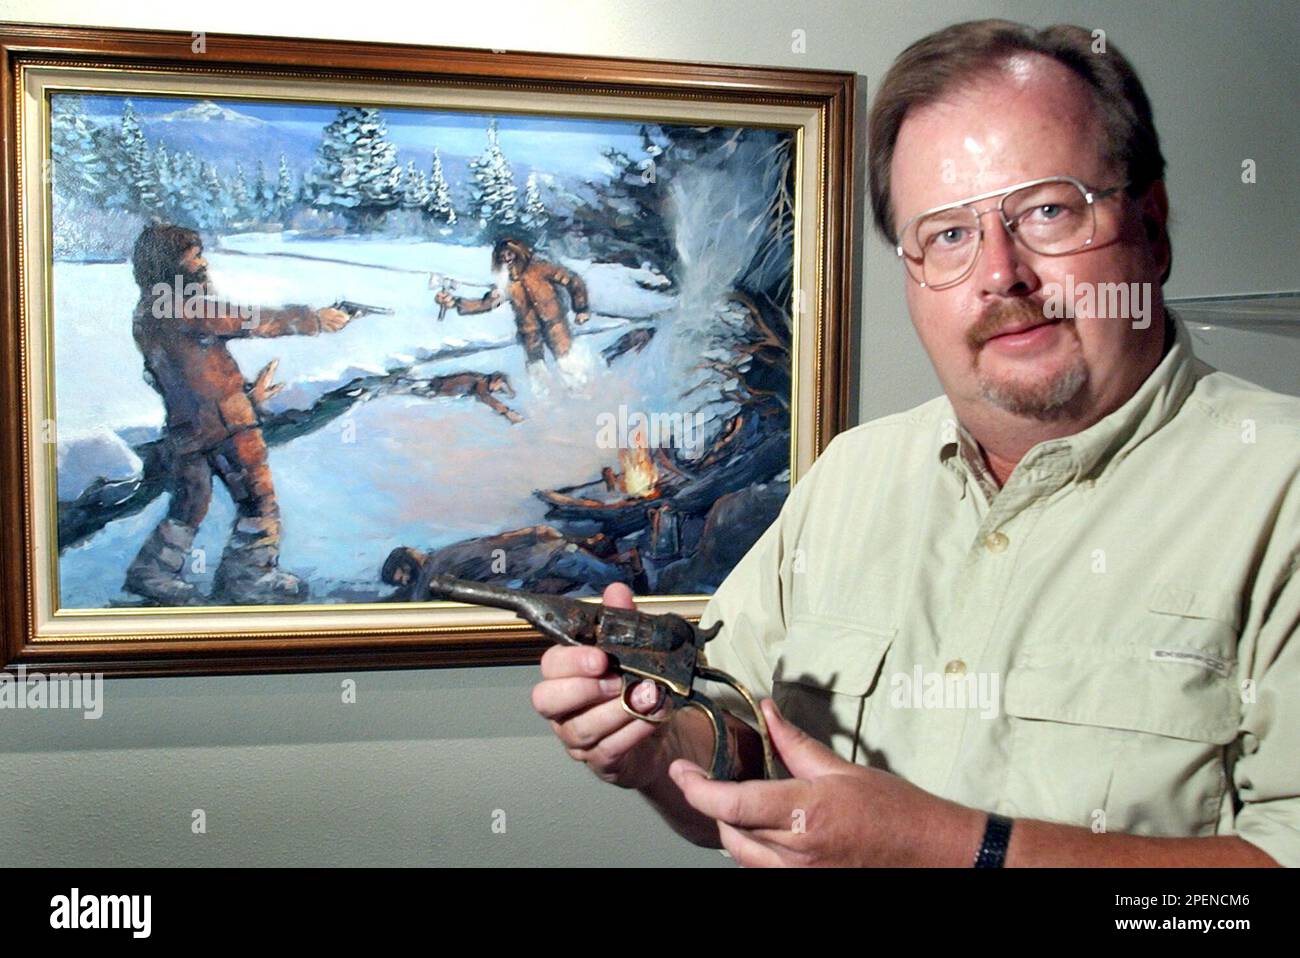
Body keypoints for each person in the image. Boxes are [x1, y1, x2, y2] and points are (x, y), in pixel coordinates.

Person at [529, 20, 1299, 866]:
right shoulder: (852, 477)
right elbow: (748, 746)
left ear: (1152, 229)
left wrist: (956, 850)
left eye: (1047, 210)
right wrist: (656, 745)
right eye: (948, 235)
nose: (1001, 275)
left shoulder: (1280, 489)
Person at [123, 223, 353, 606]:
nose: (203, 263)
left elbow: (189, 372)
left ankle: (153, 571)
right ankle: (250, 576)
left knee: (191, 502)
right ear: (170, 263)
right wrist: (314, 319)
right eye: (194, 256)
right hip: (226, 423)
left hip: (188, 426)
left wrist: (247, 393)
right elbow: (248, 319)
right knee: (257, 498)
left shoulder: (148, 311)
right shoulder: (181, 306)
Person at [435, 237, 592, 395]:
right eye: (502, 256)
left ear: (519, 251)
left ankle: (582, 394)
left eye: (509, 253)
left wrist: (581, 308)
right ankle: (547, 403)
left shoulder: (541, 268)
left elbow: (573, 280)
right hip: (529, 332)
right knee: (536, 371)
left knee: (568, 362)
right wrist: (455, 303)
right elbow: (487, 303)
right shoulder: (506, 282)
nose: (507, 258)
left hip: (555, 324)